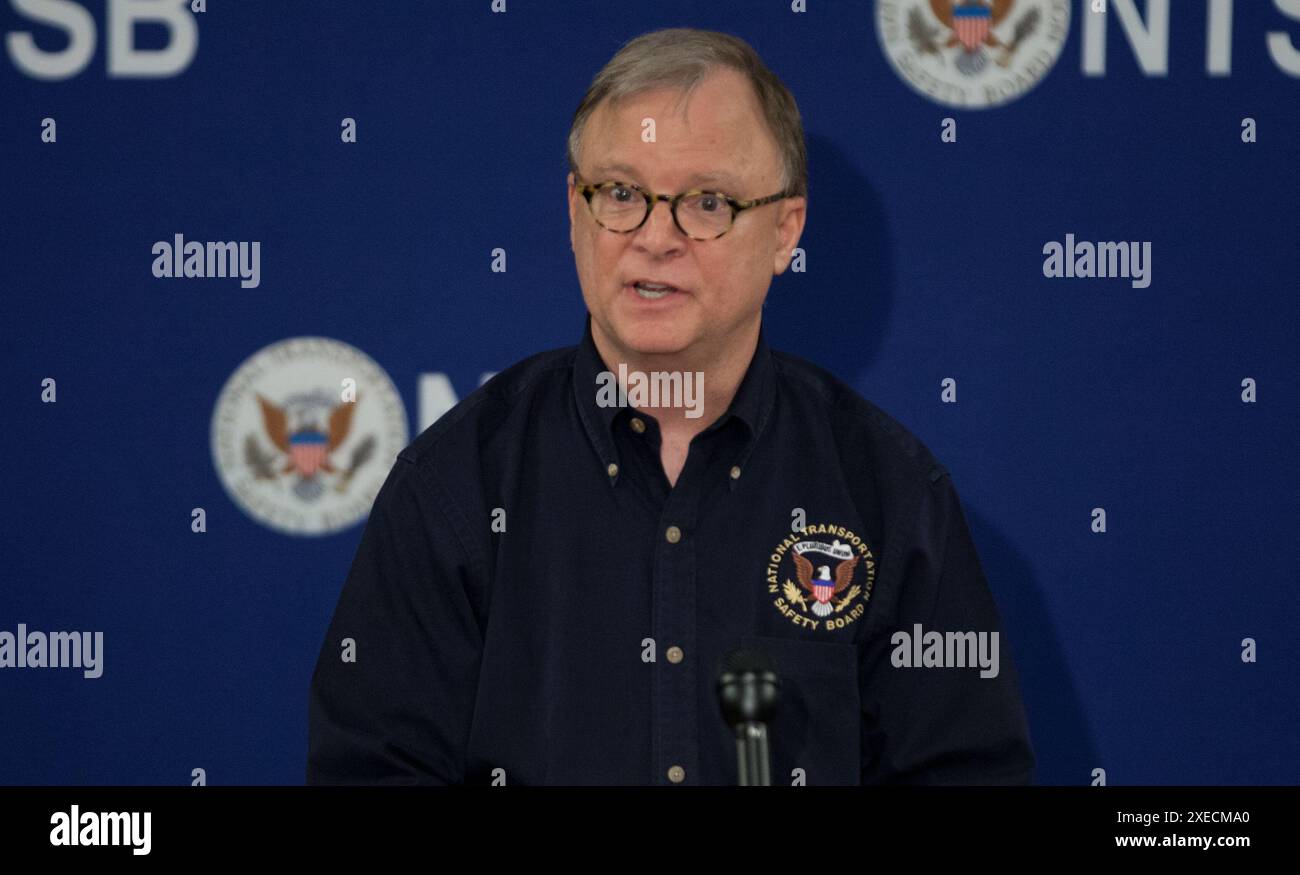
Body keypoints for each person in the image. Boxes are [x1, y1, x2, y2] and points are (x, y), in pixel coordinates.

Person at [306, 27, 1034, 786]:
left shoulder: (889, 492)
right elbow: (371, 769)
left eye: (707, 202)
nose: (656, 238)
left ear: (786, 230)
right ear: (574, 209)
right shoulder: (455, 483)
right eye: (621, 194)